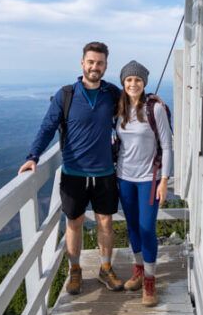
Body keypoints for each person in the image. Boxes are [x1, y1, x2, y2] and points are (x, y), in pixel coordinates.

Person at [19, 41, 124, 294]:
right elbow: (48, 127)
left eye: (99, 63)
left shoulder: (113, 94)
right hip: (74, 173)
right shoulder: (66, 95)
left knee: (106, 223)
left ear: (106, 65)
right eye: (91, 62)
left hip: (104, 172)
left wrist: (151, 99)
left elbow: (134, 107)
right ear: (82, 63)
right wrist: (33, 155)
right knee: (74, 223)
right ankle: (75, 270)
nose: (95, 67)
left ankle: (105, 268)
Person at [114, 60, 173, 307]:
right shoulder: (119, 109)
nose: (133, 84)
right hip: (124, 177)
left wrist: (164, 181)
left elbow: (168, 146)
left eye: (137, 80)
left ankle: (150, 281)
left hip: (148, 179)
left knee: (147, 228)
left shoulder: (155, 108)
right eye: (129, 80)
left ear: (144, 83)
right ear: (123, 83)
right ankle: (139, 270)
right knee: (133, 228)